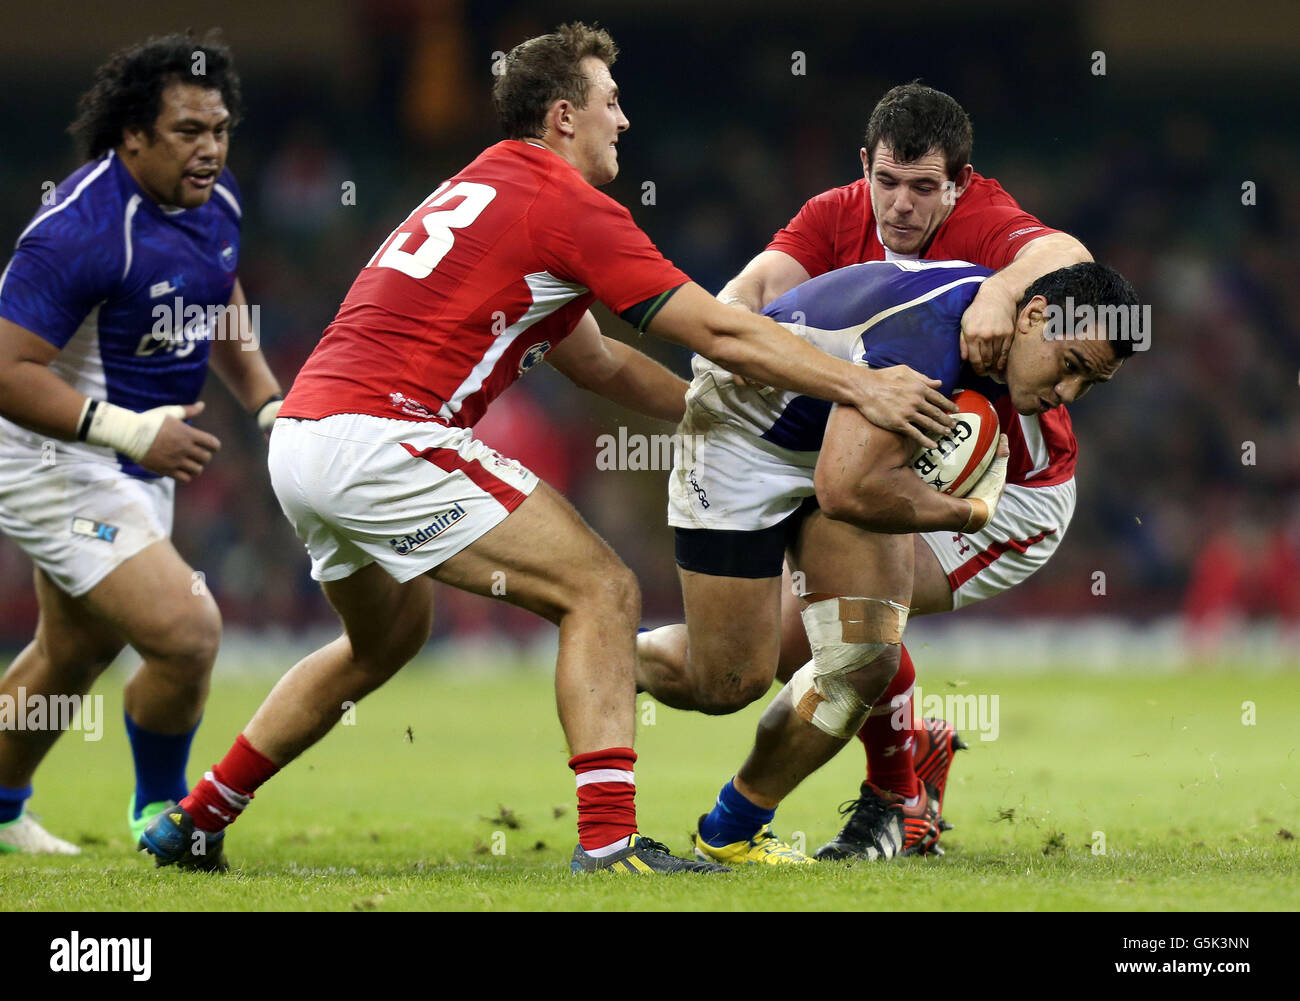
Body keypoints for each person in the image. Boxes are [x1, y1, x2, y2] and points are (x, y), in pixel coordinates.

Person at [139, 22, 952, 876]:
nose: (624, 121)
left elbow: (597, 361)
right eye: (611, 102)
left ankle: (198, 816)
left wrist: (714, 420)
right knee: (600, 588)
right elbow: (715, 327)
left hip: (306, 441)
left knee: (381, 642)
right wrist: (860, 387)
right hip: (386, 436)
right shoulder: (566, 205)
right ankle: (607, 841)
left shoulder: (487, 188)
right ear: (565, 116)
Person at [639, 82, 1097, 858]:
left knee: (847, 634)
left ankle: (894, 796)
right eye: (888, 181)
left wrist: (1002, 286)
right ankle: (908, 759)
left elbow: (1069, 257)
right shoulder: (836, 213)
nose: (903, 206)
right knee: (780, 654)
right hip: (870, 463)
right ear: (865, 167)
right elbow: (753, 286)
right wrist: (727, 333)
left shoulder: (984, 219)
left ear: (959, 181)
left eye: (925, 188)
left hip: (1008, 487)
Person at [0, 34, 284, 856]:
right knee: (186, 629)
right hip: (50, 454)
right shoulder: (79, 229)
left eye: (220, 128)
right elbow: (9, 371)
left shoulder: (215, 201)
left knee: (73, 651)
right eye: (188, 130)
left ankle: (0, 807)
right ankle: (163, 813)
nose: (211, 149)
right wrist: (129, 430)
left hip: (132, 452)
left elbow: (218, 296)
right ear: (132, 135)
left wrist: (267, 402)